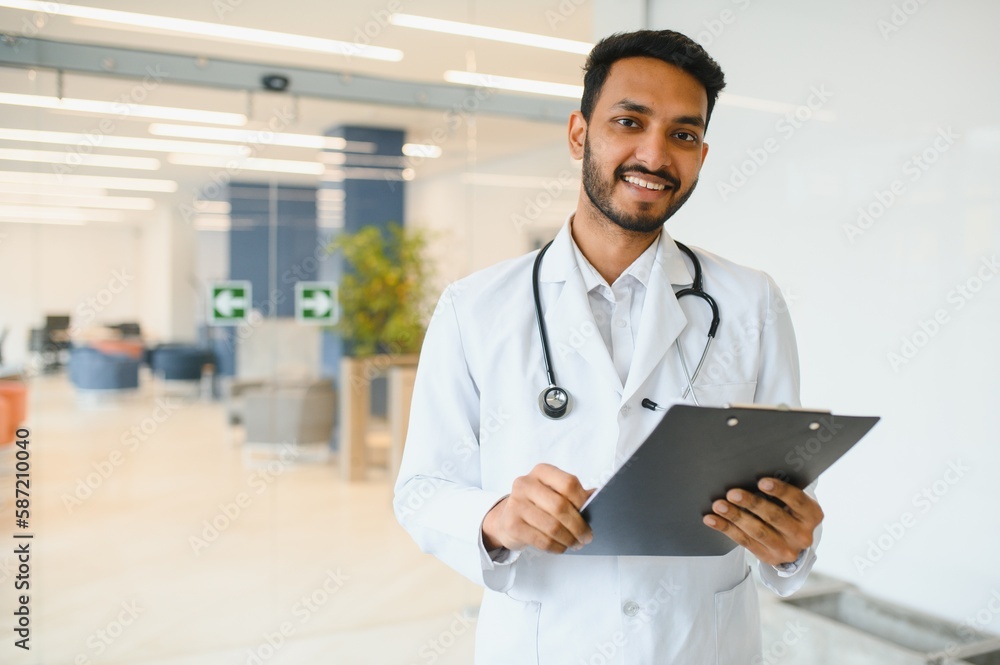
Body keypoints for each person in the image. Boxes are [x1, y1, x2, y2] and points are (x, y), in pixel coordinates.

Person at [394, 29, 824, 664]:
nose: (654, 154)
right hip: (547, 643)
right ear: (579, 134)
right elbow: (422, 488)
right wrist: (497, 517)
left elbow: (784, 482)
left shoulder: (750, 301)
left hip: (698, 643)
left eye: (683, 134)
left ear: (702, 155)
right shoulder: (474, 308)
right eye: (629, 122)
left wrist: (790, 545)